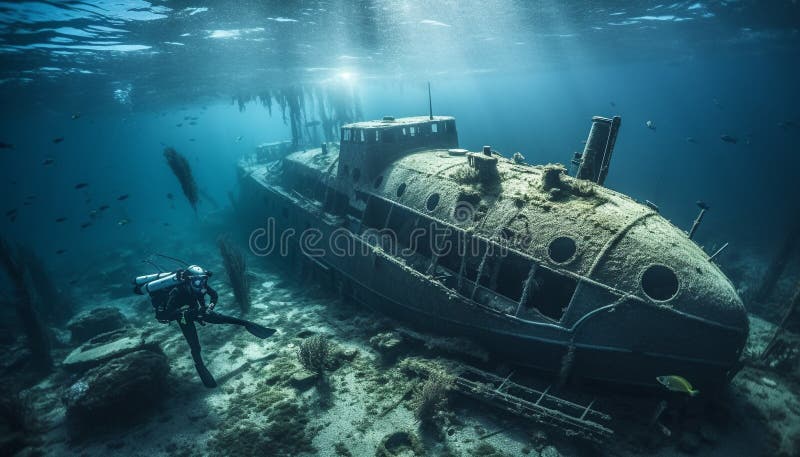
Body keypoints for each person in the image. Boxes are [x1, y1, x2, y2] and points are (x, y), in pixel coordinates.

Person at [133, 265, 276, 388]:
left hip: (199, 311)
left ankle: (252, 326)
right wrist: (187, 312)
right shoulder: (177, 291)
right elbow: (167, 314)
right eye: (196, 281)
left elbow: (214, 295)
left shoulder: (201, 284)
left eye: (202, 280)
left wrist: (209, 307)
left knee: (227, 319)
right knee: (195, 346)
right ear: (188, 280)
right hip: (183, 318)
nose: (200, 284)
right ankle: (200, 367)